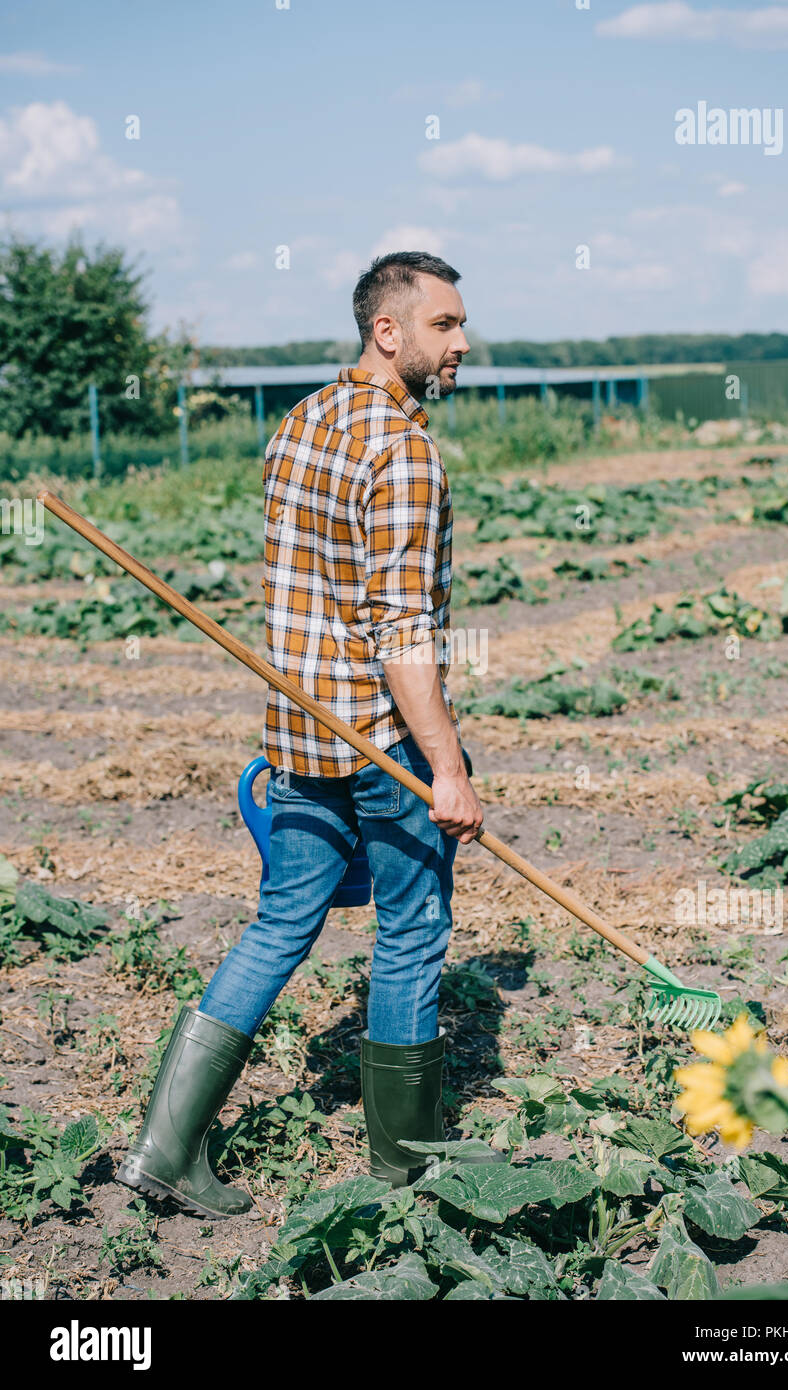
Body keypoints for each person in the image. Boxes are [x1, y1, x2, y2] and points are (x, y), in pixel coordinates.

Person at [117, 251, 504, 1219]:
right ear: (389, 331)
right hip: (380, 745)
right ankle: (404, 1176)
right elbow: (400, 627)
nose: (463, 343)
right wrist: (446, 770)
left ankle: (162, 1149)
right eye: (445, 325)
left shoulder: (300, 423)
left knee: (280, 924)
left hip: (296, 738)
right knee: (412, 935)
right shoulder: (404, 451)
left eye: (461, 325)